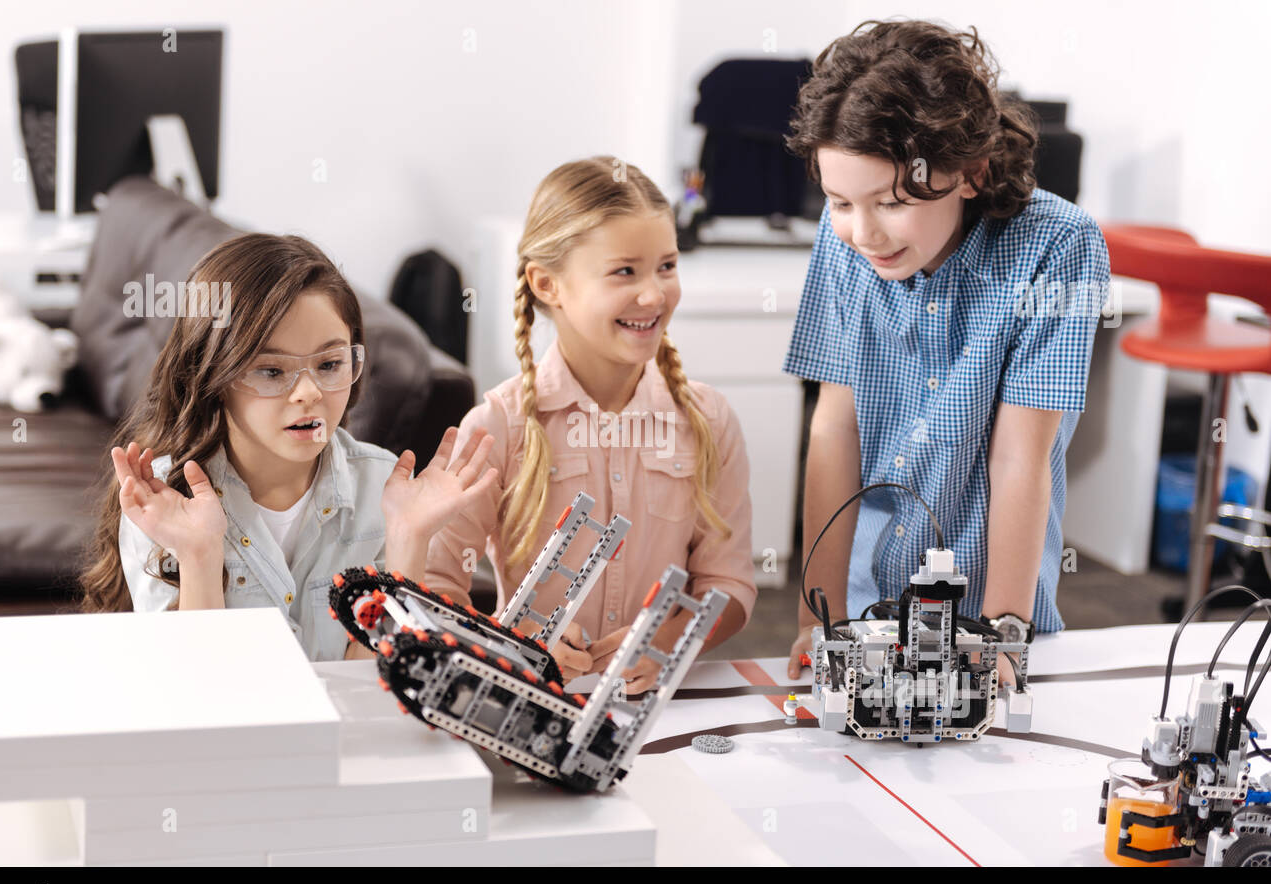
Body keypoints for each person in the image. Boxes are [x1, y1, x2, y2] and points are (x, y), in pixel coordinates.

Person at [782, 20, 1110, 681]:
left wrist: (1002, 636)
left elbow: (1021, 456)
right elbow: (834, 426)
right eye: (839, 200)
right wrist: (815, 615)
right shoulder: (842, 237)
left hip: (992, 595)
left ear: (970, 172)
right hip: (867, 593)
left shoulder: (1059, 247)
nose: (862, 231)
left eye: (893, 202)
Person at [79, 233, 497, 662]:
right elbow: (197, 693)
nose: (309, 393)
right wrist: (199, 555)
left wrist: (409, 540)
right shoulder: (163, 499)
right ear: (213, 377)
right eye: (272, 370)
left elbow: (370, 690)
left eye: (330, 364)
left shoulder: (385, 489)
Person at [426, 157, 756, 693]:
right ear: (547, 283)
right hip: (531, 701)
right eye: (625, 271)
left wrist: (670, 641)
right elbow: (436, 586)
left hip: (658, 708)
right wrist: (510, 646)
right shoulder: (497, 427)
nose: (653, 294)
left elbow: (730, 583)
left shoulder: (710, 420)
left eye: (666, 267)